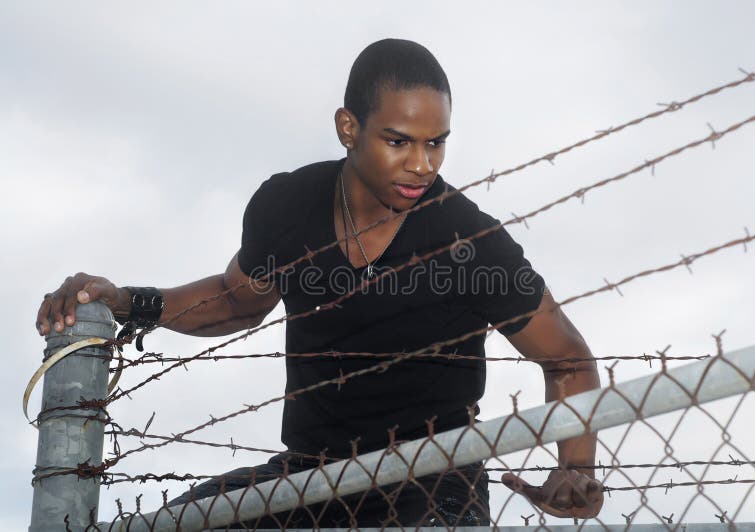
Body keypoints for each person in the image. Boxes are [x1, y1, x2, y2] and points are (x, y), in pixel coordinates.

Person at [35, 38, 604, 526]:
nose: (422, 165)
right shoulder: (289, 205)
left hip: (435, 483)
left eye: (436, 143)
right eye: (399, 140)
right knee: (173, 527)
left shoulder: (469, 241)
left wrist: (574, 471)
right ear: (347, 128)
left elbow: (568, 358)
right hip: (311, 476)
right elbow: (236, 303)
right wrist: (129, 300)